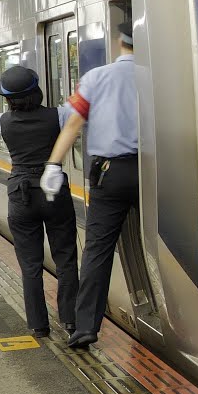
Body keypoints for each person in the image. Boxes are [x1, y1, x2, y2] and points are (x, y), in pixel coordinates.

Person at [41, 23, 139, 349]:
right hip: (157, 172)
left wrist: (54, 164)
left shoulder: (97, 77)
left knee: (97, 251)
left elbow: (74, 121)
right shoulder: (160, 76)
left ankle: (84, 328)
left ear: (119, 42)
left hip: (111, 174)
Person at [0, 65, 79, 338]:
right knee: (66, 258)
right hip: (53, 190)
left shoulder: (3, 122)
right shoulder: (58, 115)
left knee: (30, 264)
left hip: (21, 194)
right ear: (36, 91)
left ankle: (38, 325)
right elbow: (78, 113)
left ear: (8, 99)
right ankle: (70, 320)